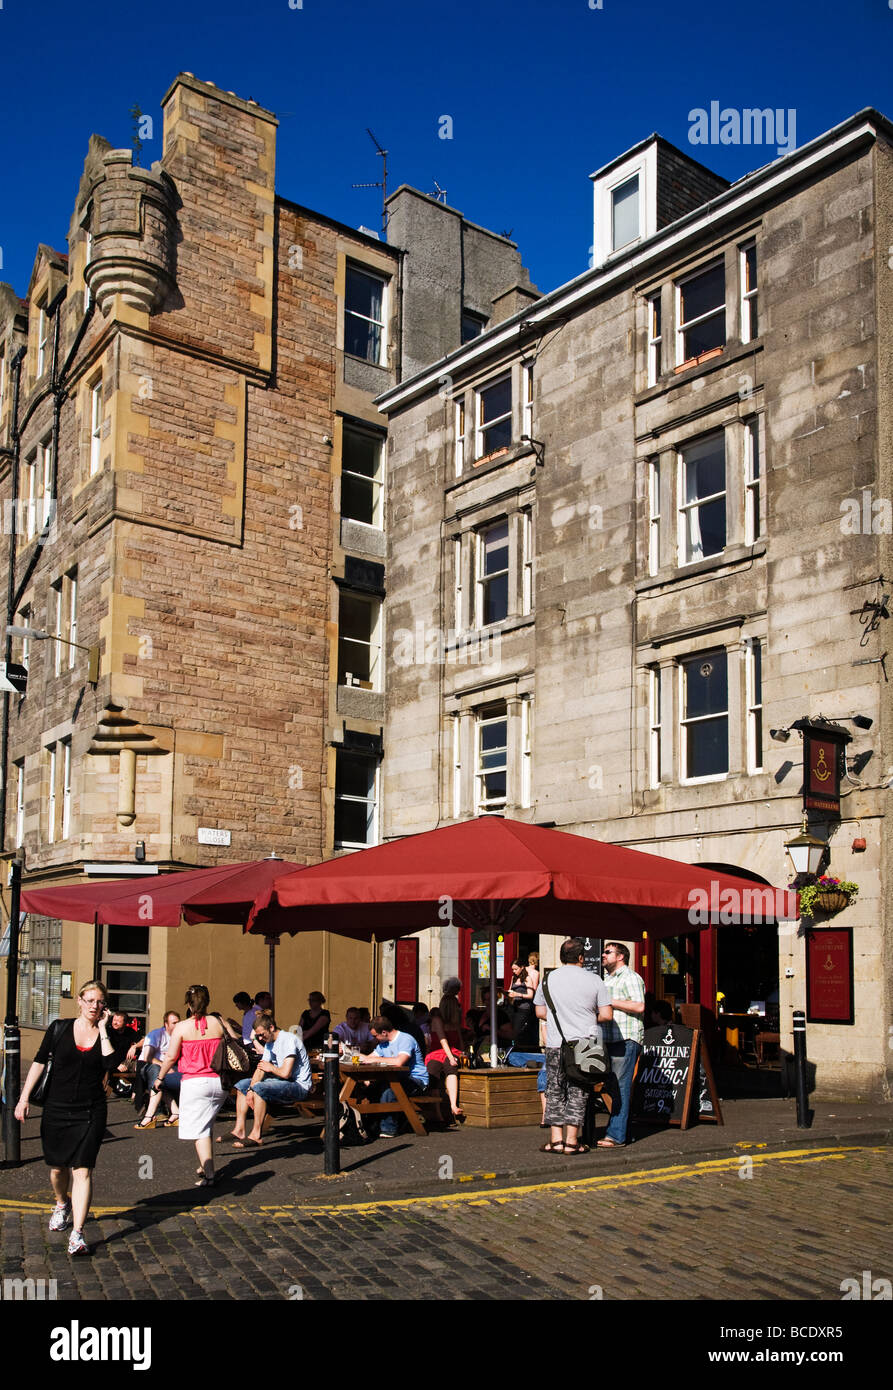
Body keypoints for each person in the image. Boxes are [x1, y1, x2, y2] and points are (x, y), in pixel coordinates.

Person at [15, 979, 117, 1256]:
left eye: (100, 1002)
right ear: (80, 1001)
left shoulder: (107, 1034)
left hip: (91, 1110)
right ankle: (62, 1203)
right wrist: (23, 1099)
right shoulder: (59, 1028)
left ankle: (78, 1234)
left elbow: (111, 1064)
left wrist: (104, 1029)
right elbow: (38, 1062)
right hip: (57, 1108)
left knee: (82, 1170)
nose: (95, 1006)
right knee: (58, 1168)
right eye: (90, 1000)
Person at [534, 938, 613, 1155]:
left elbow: (539, 1012)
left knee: (554, 1089)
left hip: (555, 1043)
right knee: (579, 1090)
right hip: (586, 1043)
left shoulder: (548, 979)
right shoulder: (595, 980)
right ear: (581, 957)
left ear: (561, 957)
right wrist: (585, 1017)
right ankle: (571, 1142)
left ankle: (556, 1141)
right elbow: (607, 1014)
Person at [153, 985, 226, 1186]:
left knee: (199, 1130)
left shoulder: (182, 1027)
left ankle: (209, 1175)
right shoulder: (218, 1022)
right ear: (207, 1002)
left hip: (195, 1082)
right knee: (207, 1123)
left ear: (188, 1004)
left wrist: (159, 1078)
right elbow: (235, 1040)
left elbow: (170, 1057)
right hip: (219, 1082)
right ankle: (205, 1164)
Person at [230, 1012, 312, 1146]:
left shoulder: (289, 1040)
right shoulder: (269, 1043)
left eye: (262, 1034)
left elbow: (286, 1073)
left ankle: (256, 1135)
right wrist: (249, 1089)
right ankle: (239, 1130)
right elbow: (261, 1068)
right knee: (241, 1085)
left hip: (298, 1085)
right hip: (282, 1082)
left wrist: (270, 1068)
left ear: (271, 1028)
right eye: (258, 1036)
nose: (260, 1038)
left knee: (259, 1088)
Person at [599, 941, 646, 1149]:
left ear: (621, 956)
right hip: (608, 1039)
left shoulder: (631, 977)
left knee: (620, 1087)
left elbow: (639, 1005)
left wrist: (610, 1001)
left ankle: (616, 1136)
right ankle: (623, 1129)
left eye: (608, 952)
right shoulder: (606, 979)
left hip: (626, 1039)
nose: (603, 955)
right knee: (611, 1086)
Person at [356, 1015, 430, 1137]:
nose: (374, 1039)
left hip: (416, 1080)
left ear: (384, 1032)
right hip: (394, 1078)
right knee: (370, 1090)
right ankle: (371, 1126)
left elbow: (399, 1062)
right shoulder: (383, 1044)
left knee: (389, 1091)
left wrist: (375, 1059)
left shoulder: (405, 1039)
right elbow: (369, 1058)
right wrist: (349, 1053)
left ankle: (388, 1128)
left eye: (375, 1036)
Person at [133, 1011, 182, 1128]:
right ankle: (151, 1115)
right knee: (157, 1073)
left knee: (160, 1080)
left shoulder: (179, 1036)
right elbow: (148, 1057)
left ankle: (175, 1113)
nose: (177, 1025)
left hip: (168, 1069)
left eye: (178, 1022)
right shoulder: (156, 1034)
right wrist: (165, 1068)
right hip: (147, 1066)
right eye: (174, 1023)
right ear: (166, 1024)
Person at [425, 997, 465, 1121]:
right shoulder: (437, 1020)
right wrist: (451, 1057)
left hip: (453, 1051)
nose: (459, 1009)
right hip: (438, 1052)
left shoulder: (455, 1023)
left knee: (451, 1068)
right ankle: (438, 1113)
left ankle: (453, 1105)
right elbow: (443, 1040)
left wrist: (463, 1054)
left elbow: (460, 1041)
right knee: (433, 1070)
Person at [507, 958, 539, 1047]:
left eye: (516, 969)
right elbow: (510, 989)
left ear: (522, 967)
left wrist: (518, 994)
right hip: (514, 1007)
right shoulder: (514, 978)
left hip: (523, 1008)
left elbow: (530, 995)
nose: (514, 971)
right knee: (511, 1030)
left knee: (518, 1030)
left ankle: (518, 1048)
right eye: (512, 969)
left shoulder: (527, 978)